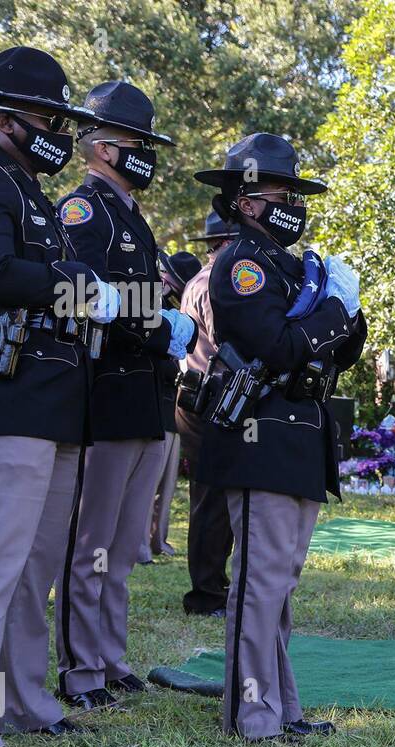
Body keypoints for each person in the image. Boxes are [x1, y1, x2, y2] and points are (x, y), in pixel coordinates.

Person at [0, 47, 119, 747]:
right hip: (3, 391)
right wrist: (74, 278)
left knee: (31, 567)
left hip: (51, 396)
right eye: (47, 117)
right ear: (5, 118)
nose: (58, 131)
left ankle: (25, 702)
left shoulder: (34, 193)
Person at [194, 133, 367, 739]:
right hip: (258, 435)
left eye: (293, 189)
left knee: (281, 583)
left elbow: (336, 349)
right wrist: (331, 316)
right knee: (260, 581)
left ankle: (281, 706)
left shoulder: (295, 266)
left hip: (298, 433)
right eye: (278, 190)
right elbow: (277, 346)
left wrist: (346, 317)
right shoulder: (241, 264)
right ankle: (252, 712)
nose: (290, 200)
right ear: (245, 200)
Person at [54, 81, 195, 708]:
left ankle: (110, 659)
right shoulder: (84, 211)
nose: (147, 154)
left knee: (123, 544)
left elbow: (136, 296)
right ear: (104, 148)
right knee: (92, 544)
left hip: (146, 395)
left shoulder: (131, 215)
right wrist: (157, 317)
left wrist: (165, 312)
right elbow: (82, 297)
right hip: (105, 392)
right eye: (139, 142)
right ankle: (81, 670)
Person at [177, 212, 238, 616]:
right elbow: (227, 343)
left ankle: (213, 586)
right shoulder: (214, 283)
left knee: (213, 499)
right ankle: (206, 594)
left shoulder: (202, 279)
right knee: (211, 502)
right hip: (208, 398)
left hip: (202, 397)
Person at [139, 249, 204, 564]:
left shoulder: (184, 314)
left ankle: (158, 539)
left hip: (173, 407)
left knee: (166, 486)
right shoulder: (149, 308)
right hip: (153, 404)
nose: (163, 278)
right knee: (147, 484)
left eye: (169, 275)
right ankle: (139, 543)